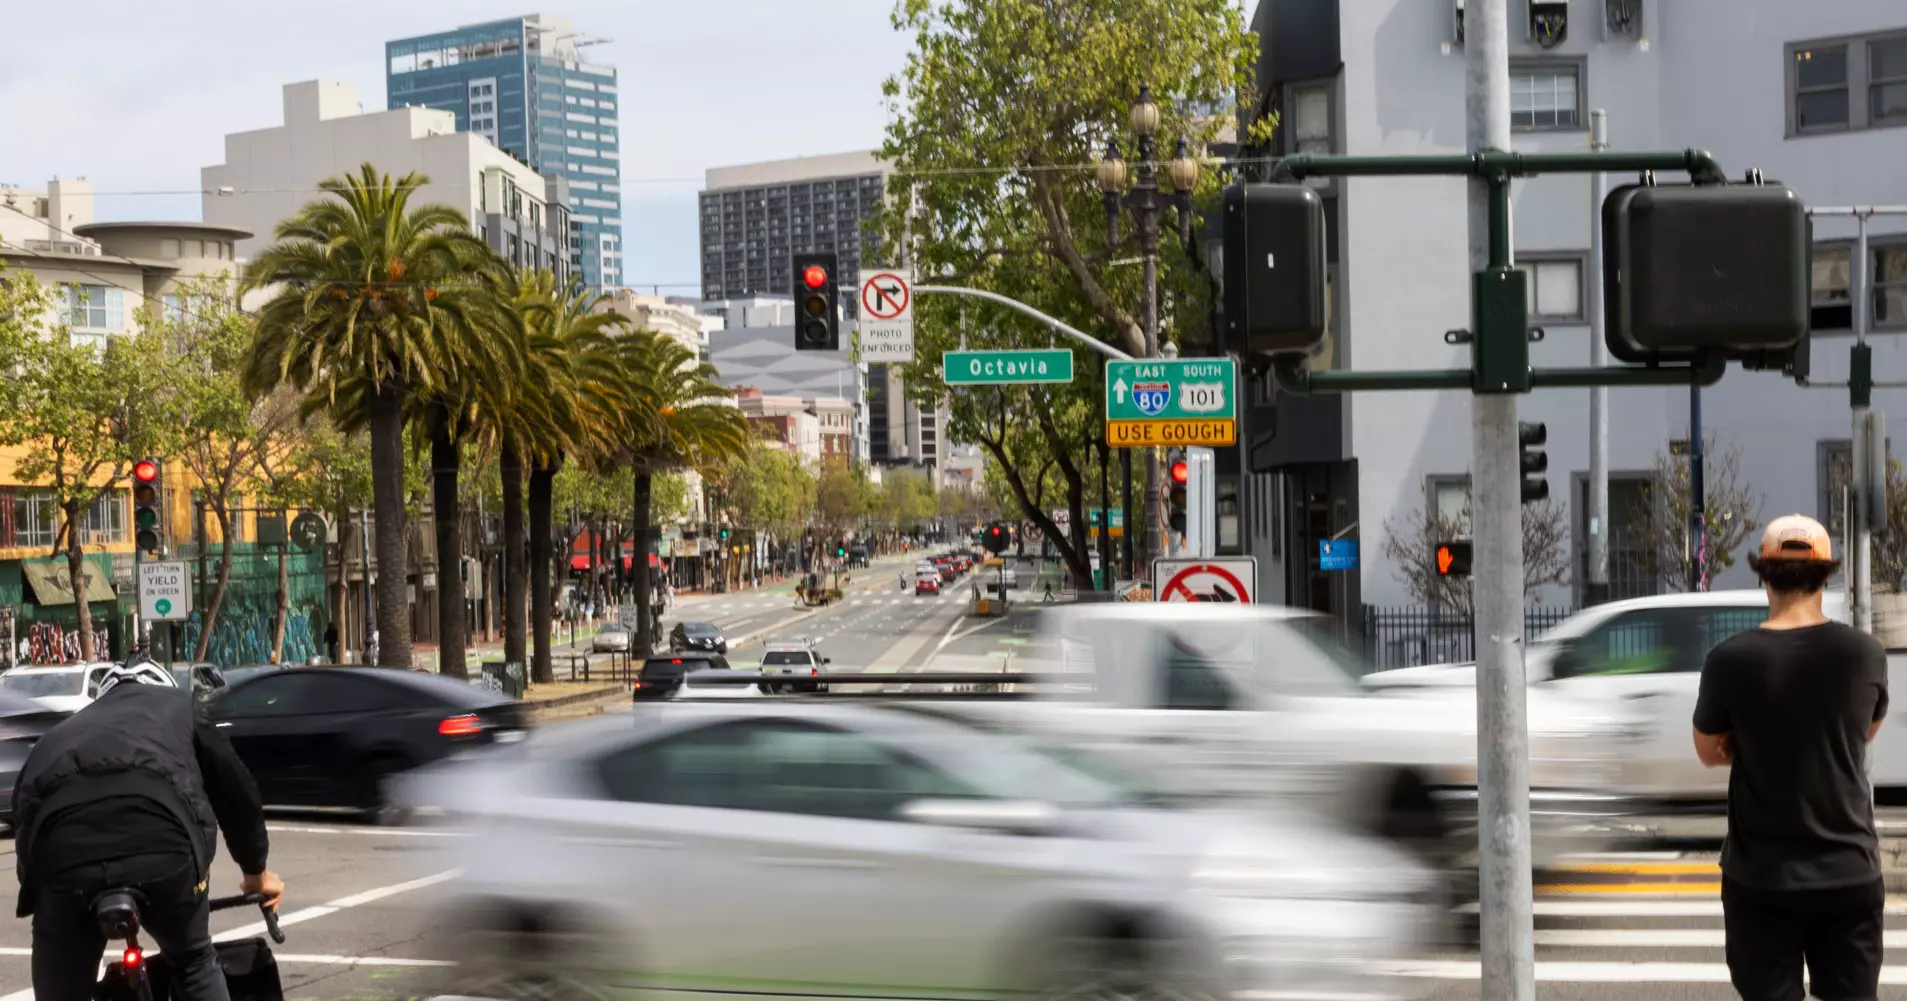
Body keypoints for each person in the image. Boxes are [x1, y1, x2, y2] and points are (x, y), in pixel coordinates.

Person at [1694, 514, 1888, 1001]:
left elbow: (1707, 751)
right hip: (1849, 872)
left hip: (1761, 878)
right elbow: (1863, 734)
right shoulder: (1865, 653)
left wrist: (1748, 740)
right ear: (1826, 575)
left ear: (1763, 573)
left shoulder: (1728, 659)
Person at [15, 660, 285, 1001]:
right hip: (165, 844)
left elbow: (26, 820)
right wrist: (256, 872)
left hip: (65, 858)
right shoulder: (181, 705)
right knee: (193, 960)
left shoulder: (58, 735)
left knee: (61, 982)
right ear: (162, 686)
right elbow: (236, 790)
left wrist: (43, 896)